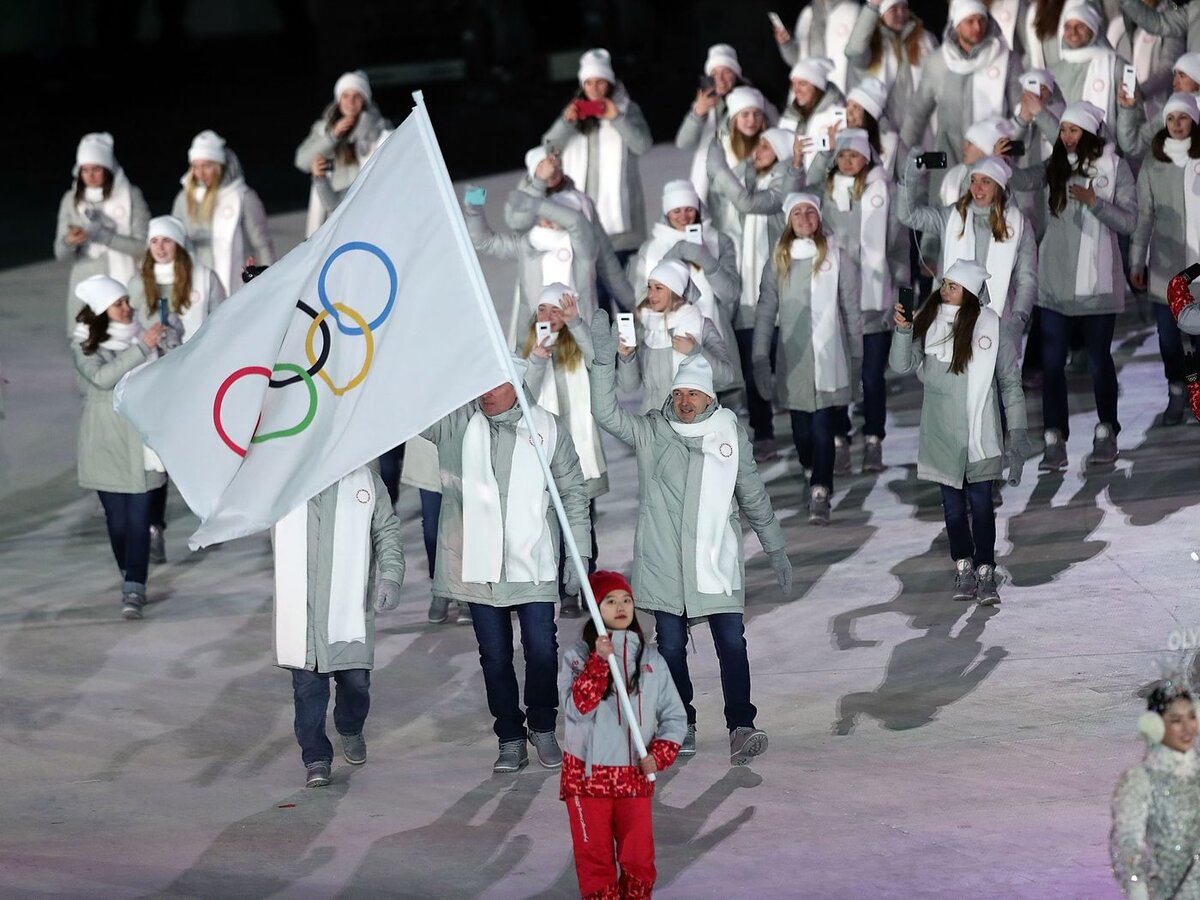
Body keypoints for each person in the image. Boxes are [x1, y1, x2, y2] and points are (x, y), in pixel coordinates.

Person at [590, 312, 793, 766]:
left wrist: (774, 546)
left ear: (709, 399)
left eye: (693, 394)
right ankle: (682, 722)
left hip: (715, 562)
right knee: (671, 646)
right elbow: (605, 413)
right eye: (679, 392)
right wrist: (607, 364)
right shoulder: (651, 431)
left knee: (732, 643)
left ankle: (742, 725)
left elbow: (752, 492)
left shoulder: (728, 433)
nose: (684, 400)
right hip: (665, 562)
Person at [422, 361, 590, 774]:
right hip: (478, 566)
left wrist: (579, 554)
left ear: (517, 384)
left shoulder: (547, 429)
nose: (486, 393)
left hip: (532, 560)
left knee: (541, 649)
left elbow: (572, 492)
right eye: (480, 384)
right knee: (494, 655)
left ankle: (543, 725)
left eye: (495, 385)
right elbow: (413, 407)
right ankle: (510, 736)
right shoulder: (455, 424)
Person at [888, 260, 1031, 604]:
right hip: (942, 435)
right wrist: (904, 331)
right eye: (945, 284)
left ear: (968, 294)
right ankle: (963, 564)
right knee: (952, 510)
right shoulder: (930, 322)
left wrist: (1019, 433)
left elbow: (1011, 386)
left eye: (952, 286)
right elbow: (901, 365)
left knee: (981, 506)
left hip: (982, 436)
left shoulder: (993, 328)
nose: (944, 290)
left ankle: (986, 570)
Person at [1009, 100, 1137, 470]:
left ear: (1091, 134)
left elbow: (1128, 223)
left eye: (1073, 130)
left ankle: (1106, 429)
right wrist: (1003, 158)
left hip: (1097, 287)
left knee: (1098, 362)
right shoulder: (1055, 166)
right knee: (1051, 365)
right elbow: (1020, 180)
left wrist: (1097, 203)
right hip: (1054, 286)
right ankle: (1053, 436)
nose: (1065, 137)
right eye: (1063, 130)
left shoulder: (1115, 167)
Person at [272, 465, 405, 789]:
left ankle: (350, 726)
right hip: (301, 610)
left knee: (356, 683)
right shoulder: (281, 480)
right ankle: (316, 756)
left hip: (348, 605)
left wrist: (390, 576)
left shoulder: (366, 481)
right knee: (307, 689)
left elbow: (386, 532)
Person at [559, 570, 686, 899]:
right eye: (610, 601)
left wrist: (658, 755)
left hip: (634, 774)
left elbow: (674, 715)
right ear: (596, 609)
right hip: (588, 780)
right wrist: (599, 663)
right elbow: (576, 709)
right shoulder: (576, 658)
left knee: (639, 859)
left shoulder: (652, 660)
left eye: (626, 600)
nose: (621, 607)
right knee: (596, 861)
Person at [753, 193, 863, 524]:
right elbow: (765, 309)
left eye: (810, 212)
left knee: (822, 427)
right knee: (802, 432)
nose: (804, 218)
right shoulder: (779, 260)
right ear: (788, 221)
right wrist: (760, 355)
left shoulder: (836, 256)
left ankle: (821, 490)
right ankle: (810, 469)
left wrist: (856, 353)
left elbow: (851, 307)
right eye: (797, 213)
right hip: (795, 359)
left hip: (830, 356)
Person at [126, 214, 225, 563]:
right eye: (154, 242)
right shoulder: (138, 284)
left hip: (193, 379)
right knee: (157, 457)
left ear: (179, 244)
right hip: (154, 381)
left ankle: (211, 517)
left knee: (198, 451)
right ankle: (155, 527)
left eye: (166, 241)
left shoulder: (204, 278)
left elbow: (224, 322)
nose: (160, 248)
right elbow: (126, 329)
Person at [70, 275, 169, 620]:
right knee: (118, 524)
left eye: (127, 301)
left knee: (139, 521)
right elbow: (101, 378)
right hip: (106, 446)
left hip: (142, 444)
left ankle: (134, 588)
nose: (128, 309)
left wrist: (165, 347)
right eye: (119, 304)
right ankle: (128, 573)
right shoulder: (84, 345)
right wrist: (142, 348)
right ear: (101, 312)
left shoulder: (145, 336)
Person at [706, 125, 806, 456]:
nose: (757, 150)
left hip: (777, 291)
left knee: (786, 363)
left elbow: (749, 203)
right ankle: (763, 431)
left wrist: (719, 166)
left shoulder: (786, 183)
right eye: (758, 145)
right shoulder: (746, 177)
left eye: (766, 146)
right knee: (754, 365)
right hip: (746, 291)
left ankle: (807, 428)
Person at [817, 130, 911, 474]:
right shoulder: (827, 195)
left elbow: (899, 247)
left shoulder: (885, 192)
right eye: (842, 156)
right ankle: (841, 439)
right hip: (839, 303)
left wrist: (903, 295)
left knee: (872, 377)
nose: (848, 162)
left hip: (876, 302)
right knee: (840, 376)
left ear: (868, 158)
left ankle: (874, 440)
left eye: (855, 156)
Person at [521, 285, 608, 617]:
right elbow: (524, 393)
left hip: (579, 453)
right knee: (552, 522)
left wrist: (577, 324)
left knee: (581, 520)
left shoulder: (578, 345)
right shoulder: (528, 349)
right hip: (545, 451)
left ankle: (587, 582)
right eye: (542, 310)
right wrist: (537, 359)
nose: (547, 317)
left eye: (555, 310)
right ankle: (565, 589)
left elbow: (600, 360)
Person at [897, 154, 1037, 344]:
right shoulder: (952, 216)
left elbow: (1026, 279)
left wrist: (1017, 321)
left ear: (999, 186)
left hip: (998, 322)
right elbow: (909, 216)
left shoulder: (1019, 223)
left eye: (985, 181)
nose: (977, 188)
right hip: (951, 320)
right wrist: (910, 178)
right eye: (973, 180)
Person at [625, 179, 743, 402]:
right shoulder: (650, 248)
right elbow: (641, 298)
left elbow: (730, 293)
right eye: (676, 210)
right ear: (667, 212)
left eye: (689, 209)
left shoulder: (718, 240)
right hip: (665, 343)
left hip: (712, 332)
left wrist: (705, 258)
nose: (684, 216)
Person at [468, 185, 625, 345]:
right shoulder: (528, 244)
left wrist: (535, 204)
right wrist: (473, 205)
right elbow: (484, 241)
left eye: (557, 214)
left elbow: (577, 223)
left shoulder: (584, 249)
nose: (549, 219)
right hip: (537, 337)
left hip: (580, 338)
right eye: (546, 213)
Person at [900, 0, 1023, 195]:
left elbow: (1021, 112)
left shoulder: (1006, 59)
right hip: (949, 153)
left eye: (981, 20)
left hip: (991, 154)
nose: (977, 27)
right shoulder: (938, 62)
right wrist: (902, 156)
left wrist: (1010, 151)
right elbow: (917, 113)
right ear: (956, 25)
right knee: (946, 216)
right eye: (970, 21)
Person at [1129, 92, 1200, 425]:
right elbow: (1145, 217)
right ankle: (1176, 391)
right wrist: (1136, 261)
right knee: (1169, 337)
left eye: (1182, 118)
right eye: (1170, 119)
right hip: (1165, 268)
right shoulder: (1153, 163)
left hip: (1197, 266)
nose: (1176, 125)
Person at [542, 49, 652, 256]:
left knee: (616, 286)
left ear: (610, 83)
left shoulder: (628, 110)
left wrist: (617, 117)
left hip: (621, 226)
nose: (594, 89)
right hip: (584, 222)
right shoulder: (574, 112)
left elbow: (642, 146)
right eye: (589, 82)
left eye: (600, 82)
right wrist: (566, 123)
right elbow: (548, 149)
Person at [1110, 681, 1200, 899]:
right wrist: (1138, 890)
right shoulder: (1140, 781)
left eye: (1191, 717)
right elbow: (1128, 847)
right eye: (1176, 721)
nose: (1188, 728)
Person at [54, 133, 149, 336]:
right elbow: (59, 253)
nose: (90, 175)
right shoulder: (71, 201)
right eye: (85, 170)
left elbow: (144, 247)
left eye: (96, 169)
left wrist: (105, 236)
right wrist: (70, 241)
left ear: (108, 170)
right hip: (85, 289)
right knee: (86, 350)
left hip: (123, 288)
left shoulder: (131, 196)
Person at [617, 260, 738, 415]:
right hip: (653, 426)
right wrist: (626, 358)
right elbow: (629, 387)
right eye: (649, 287)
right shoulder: (644, 328)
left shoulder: (700, 325)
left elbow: (726, 376)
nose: (651, 294)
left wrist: (696, 352)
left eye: (658, 288)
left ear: (674, 291)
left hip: (691, 424)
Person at [171, 130, 275, 296]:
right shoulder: (184, 199)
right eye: (195, 167)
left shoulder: (243, 197)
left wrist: (272, 281)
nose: (200, 173)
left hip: (239, 285)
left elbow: (262, 244)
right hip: (199, 287)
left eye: (206, 166)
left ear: (220, 166)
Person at [294, 70, 393, 236]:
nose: (350, 102)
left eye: (357, 96)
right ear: (338, 99)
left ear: (365, 100)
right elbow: (302, 162)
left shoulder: (379, 129)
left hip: (365, 212)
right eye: (345, 96)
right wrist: (332, 136)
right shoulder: (323, 129)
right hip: (329, 214)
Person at [674, 44, 776, 201]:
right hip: (709, 187)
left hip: (744, 184)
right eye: (714, 73)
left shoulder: (754, 101)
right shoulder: (705, 103)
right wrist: (698, 113)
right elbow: (683, 144)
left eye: (726, 72)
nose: (720, 79)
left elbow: (777, 132)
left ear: (736, 74)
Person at [844, 0, 938, 132]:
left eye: (904, 7)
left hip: (920, 131)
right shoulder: (872, 44)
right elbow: (854, 51)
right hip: (882, 132)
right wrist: (872, 7)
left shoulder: (925, 39)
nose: (900, 13)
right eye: (894, 8)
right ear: (882, 12)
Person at [772, 0, 862, 94]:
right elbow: (797, 61)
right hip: (811, 95)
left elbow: (864, 59)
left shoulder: (852, 11)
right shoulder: (807, 13)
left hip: (843, 93)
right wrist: (786, 44)